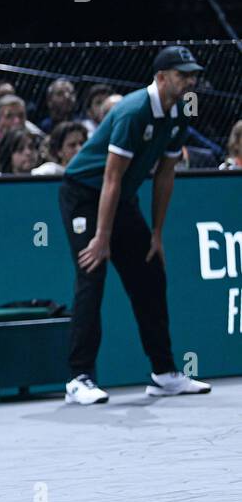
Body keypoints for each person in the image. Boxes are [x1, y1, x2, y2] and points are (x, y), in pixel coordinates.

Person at [58, 46, 213, 405]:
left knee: (150, 272)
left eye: (192, 75)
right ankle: (79, 378)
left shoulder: (179, 114)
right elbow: (111, 177)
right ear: (161, 78)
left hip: (121, 200)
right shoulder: (133, 112)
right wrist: (102, 237)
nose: (190, 81)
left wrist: (156, 233)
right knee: (92, 274)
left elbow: (165, 175)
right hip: (84, 194)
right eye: (182, 75)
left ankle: (164, 373)